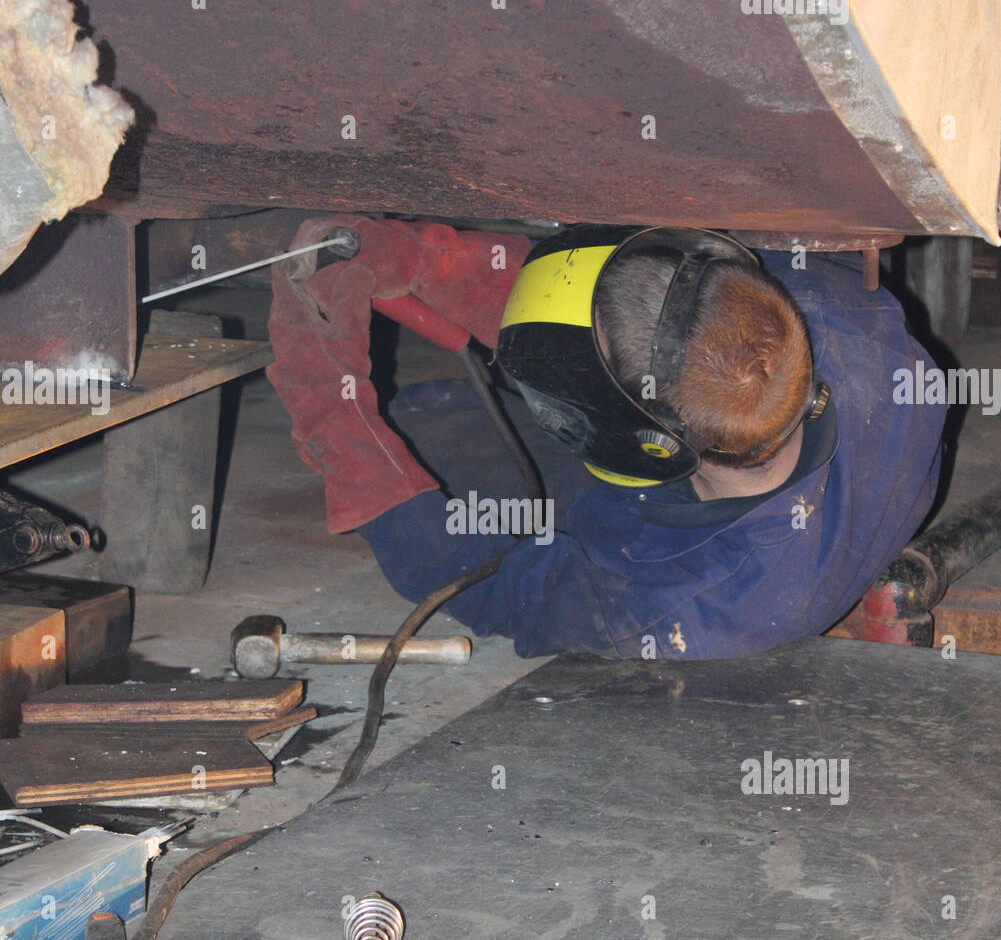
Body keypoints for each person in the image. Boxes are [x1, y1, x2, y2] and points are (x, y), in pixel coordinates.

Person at [282, 223, 947, 660]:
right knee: (436, 422)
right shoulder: (837, 314)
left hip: (689, 545)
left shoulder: (676, 601)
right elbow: (636, 300)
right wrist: (432, 263)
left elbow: (474, 584)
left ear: (644, 445)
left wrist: (325, 390)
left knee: (424, 473)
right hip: (755, 474)